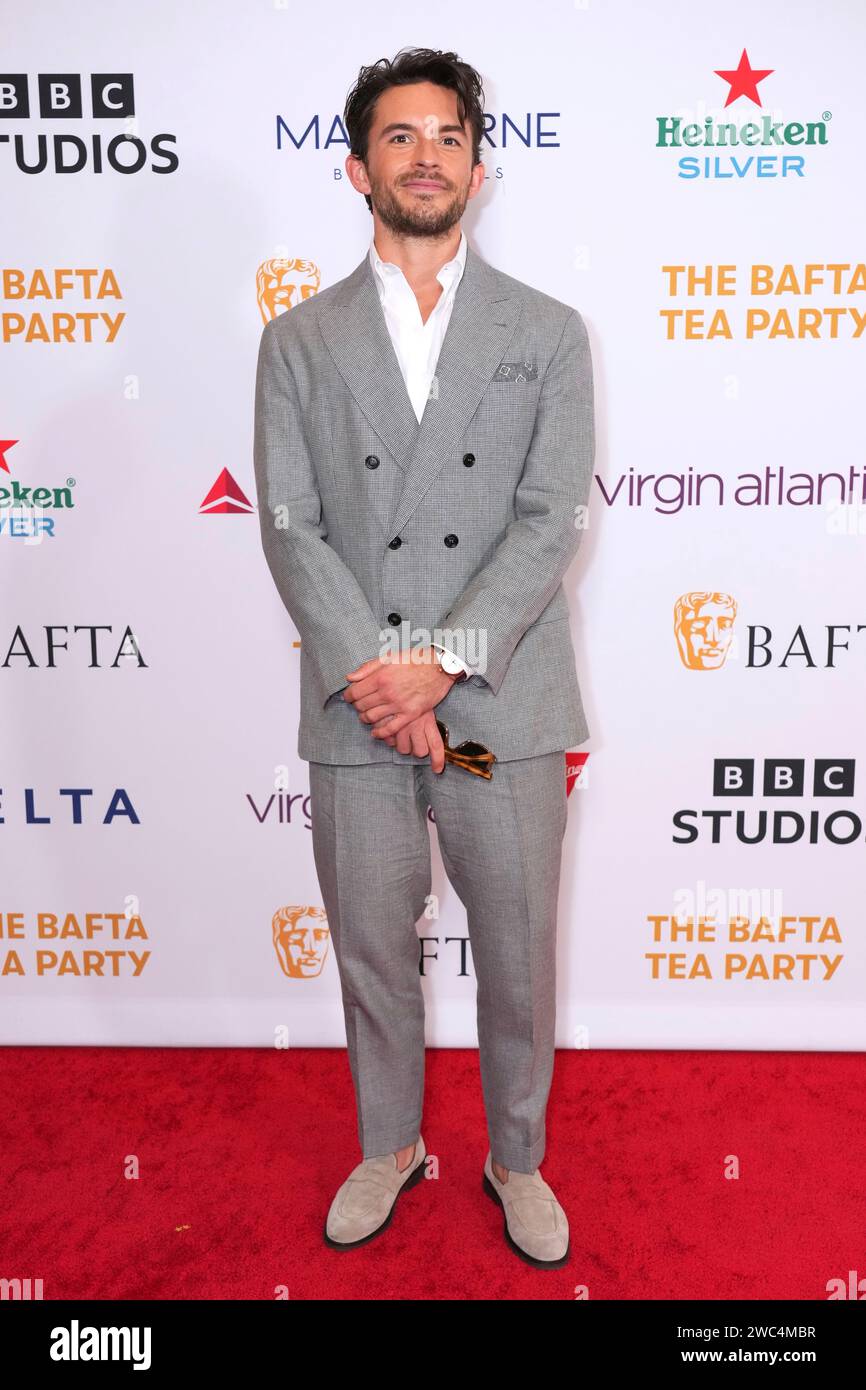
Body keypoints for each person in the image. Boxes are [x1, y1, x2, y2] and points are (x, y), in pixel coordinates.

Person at [253, 46, 595, 1268]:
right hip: (355, 705)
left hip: (500, 697)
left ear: (478, 165)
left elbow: (550, 514)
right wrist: (378, 677)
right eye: (399, 136)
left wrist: (436, 666)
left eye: (446, 134)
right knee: (368, 948)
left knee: (514, 950)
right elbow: (287, 520)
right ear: (356, 167)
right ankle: (389, 1144)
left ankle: (515, 1159)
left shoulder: (547, 332)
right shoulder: (297, 341)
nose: (425, 154)